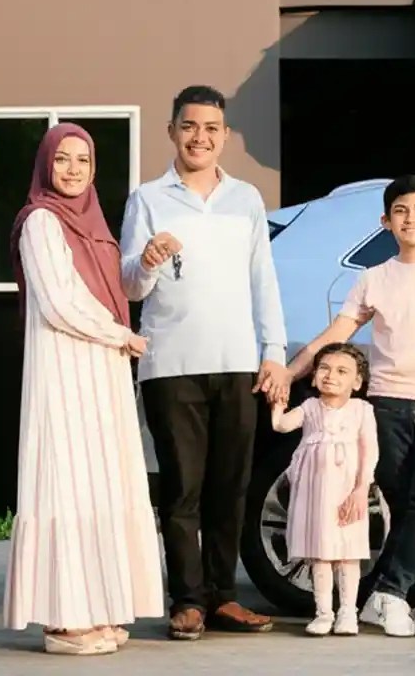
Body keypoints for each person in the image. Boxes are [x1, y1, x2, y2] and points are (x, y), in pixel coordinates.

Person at [119, 85, 289, 640]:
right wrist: (145, 262)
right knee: (182, 487)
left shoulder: (246, 199)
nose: (200, 137)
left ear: (225, 136)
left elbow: (264, 280)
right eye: (190, 126)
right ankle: (186, 600)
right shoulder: (147, 198)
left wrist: (274, 353)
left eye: (212, 128)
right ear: (172, 131)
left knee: (230, 486)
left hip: (237, 361)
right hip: (170, 364)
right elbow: (131, 285)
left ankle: (223, 597)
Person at [285, 175, 415, 639]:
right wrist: (293, 371)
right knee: (405, 506)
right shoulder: (374, 277)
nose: (410, 219)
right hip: (387, 406)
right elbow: (337, 332)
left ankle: (389, 593)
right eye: (400, 211)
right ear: (386, 221)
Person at [4, 122, 165, 656]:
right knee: (67, 483)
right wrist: (123, 335)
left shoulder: (93, 225)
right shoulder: (41, 223)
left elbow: (120, 288)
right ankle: (63, 622)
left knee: (101, 484)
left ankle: (93, 607)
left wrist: (146, 264)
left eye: (83, 161)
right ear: (45, 166)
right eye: (62, 160)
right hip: (66, 370)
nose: (72, 170)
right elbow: (59, 303)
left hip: (102, 372)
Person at [270, 343, 378, 637]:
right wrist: (278, 403)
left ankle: (347, 611)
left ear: (356, 382)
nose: (331, 376)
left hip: (346, 490)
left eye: (342, 371)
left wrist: (360, 488)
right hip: (314, 490)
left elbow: (370, 452)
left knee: (347, 552)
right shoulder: (309, 408)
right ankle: (323, 612)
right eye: (324, 369)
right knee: (320, 553)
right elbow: (281, 425)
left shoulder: (361, 410)